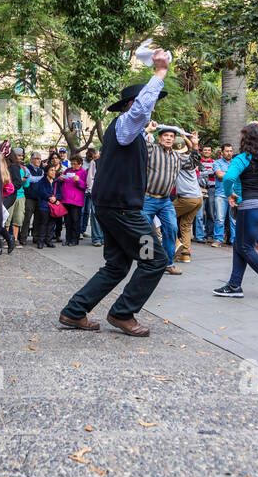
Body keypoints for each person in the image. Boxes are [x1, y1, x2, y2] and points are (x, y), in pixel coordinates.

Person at [58, 62, 172, 337]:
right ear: (133, 104)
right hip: (124, 212)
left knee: (117, 265)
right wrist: (159, 74)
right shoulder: (125, 124)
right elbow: (141, 110)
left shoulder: (128, 132)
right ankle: (122, 313)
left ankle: (74, 311)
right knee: (155, 259)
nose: (152, 108)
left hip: (114, 209)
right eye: (151, 102)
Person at [213, 122, 258, 299]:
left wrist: (230, 194)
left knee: (245, 247)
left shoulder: (242, 158)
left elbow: (229, 177)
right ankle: (234, 285)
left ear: (244, 139)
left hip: (249, 208)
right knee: (241, 245)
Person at [143, 122, 183, 274]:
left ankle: (168, 263)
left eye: (171, 136)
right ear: (159, 138)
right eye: (165, 135)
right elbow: (138, 143)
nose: (168, 138)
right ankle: (145, 262)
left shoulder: (177, 157)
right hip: (148, 198)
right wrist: (147, 130)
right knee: (145, 231)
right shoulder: (152, 150)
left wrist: (192, 145)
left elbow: (192, 163)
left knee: (172, 228)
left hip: (166, 201)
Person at [172, 133, 204, 262]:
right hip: (198, 198)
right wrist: (191, 142)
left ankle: (177, 244)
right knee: (185, 225)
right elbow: (195, 155)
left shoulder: (177, 160)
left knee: (164, 217)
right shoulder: (190, 160)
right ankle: (185, 254)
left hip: (186, 198)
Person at [30, 161, 61, 248]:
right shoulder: (42, 181)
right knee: (43, 223)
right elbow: (41, 192)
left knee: (51, 224)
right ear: (47, 172)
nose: (53, 172)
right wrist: (50, 197)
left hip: (53, 206)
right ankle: (40, 241)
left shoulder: (56, 182)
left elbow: (59, 193)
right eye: (51, 170)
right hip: (44, 205)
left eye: (54, 170)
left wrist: (56, 198)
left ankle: (48, 240)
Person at [60, 155, 87, 245]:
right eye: (72, 163)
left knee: (75, 220)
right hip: (66, 200)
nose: (73, 166)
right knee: (67, 221)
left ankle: (74, 240)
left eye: (75, 164)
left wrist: (79, 180)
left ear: (80, 164)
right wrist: (60, 179)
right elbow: (59, 179)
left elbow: (85, 186)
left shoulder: (83, 172)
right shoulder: (68, 170)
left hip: (76, 201)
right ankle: (68, 239)